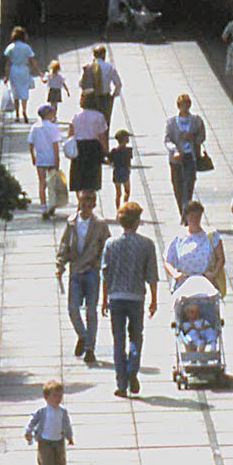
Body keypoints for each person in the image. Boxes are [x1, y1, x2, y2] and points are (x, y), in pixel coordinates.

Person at [101, 201, 159, 398]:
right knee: (136, 336)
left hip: (116, 296)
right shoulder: (146, 244)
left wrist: (103, 299)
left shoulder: (111, 244)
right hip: (136, 297)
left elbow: (105, 273)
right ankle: (133, 369)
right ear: (136, 221)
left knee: (118, 341)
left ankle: (121, 382)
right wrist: (154, 299)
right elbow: (152, 273)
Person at [55, 189, 110, 367]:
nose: (85, 205)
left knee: (91, 311)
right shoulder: (71, 222)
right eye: (82, 202)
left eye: (89, 202)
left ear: (93, 205)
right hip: (75, 270)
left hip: (92, 271)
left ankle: (90, 348)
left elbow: (106, 247)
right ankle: (83, 336)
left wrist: (101, 265)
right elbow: (64, 245)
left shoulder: (100, 224)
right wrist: (60, 265)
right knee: (72, 309)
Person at [164, 200, 225, 292]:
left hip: (205, 283)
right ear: (186, 217)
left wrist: (213, 274)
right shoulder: (178, 236)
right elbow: (167, 261)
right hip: (183, 284)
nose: (195, 219)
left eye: (198, 216)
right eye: (192, 216)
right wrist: (175, 275)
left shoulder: (212, 235)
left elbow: (221, 258)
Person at [25, 377, 74, 465]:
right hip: (44, 440)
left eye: (60, 396)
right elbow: (33, 421)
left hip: (58, 440)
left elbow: (66, 425)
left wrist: (69, 437)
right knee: (47, 462)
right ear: (46, 398)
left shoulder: (62, 411)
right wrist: (28, 431)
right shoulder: (42, 411)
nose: (58, 399)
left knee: (60, 463)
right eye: (55, 396)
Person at [163, 92, 207, 214]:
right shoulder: (171, 122)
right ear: (178, 106)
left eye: (187, 105)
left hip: (190, 157)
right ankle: (182, 210)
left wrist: (192, 137)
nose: (185, 107)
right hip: (176, 158)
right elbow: (167, 140)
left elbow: (202, 136)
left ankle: (186, 213)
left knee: (189, 185)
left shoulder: (196, 120)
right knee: (178, 186)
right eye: (182, 105)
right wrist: (175, 150)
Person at [65, 89, 109, 198]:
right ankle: (89, 199)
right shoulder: (99, 116)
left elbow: (70, 134)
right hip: (93, 147)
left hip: (79, 147)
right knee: (92, 177)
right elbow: (102, 136)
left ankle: (80, 201)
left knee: (78, 176)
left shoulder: (76, 116)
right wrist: (106, 151)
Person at [27, 104, 60, 220]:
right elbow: (55, 145)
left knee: (42, 182)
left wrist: (32, 156)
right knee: (52, 183)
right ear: (49, 114)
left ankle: (43, 207)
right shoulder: (53, 127)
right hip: (51, 158)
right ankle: (52, 204)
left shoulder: (35, 127)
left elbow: (30, 143)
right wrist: (57, 160)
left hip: (40, 158)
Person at [3, 25, 39, 123]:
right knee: (24, 91)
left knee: (15, 92)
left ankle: (17, 114)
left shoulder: (10, 47)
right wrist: (39, 72)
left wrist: (6, 76)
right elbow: (32, 60)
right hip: (24, 69)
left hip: (14, 70)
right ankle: (24, 110)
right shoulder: (26, 48)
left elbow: (7, 63)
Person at [78, 43, 121, 126]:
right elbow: (118, 84)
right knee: (105, 122)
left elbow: (81, 84)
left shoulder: (88, 67)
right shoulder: (109, 67)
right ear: (103, 55)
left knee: (91, 123)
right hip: (105, 98)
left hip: (90, 99)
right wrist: (113, 95)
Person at [108, 128, 133, 209]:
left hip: (117, 172)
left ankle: (118, 209)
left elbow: (109, 161)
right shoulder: (128, 150)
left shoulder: (114, 151)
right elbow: (129, 163)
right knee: (127, 192)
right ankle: (125, 206)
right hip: (125, 172)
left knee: (118, 193)